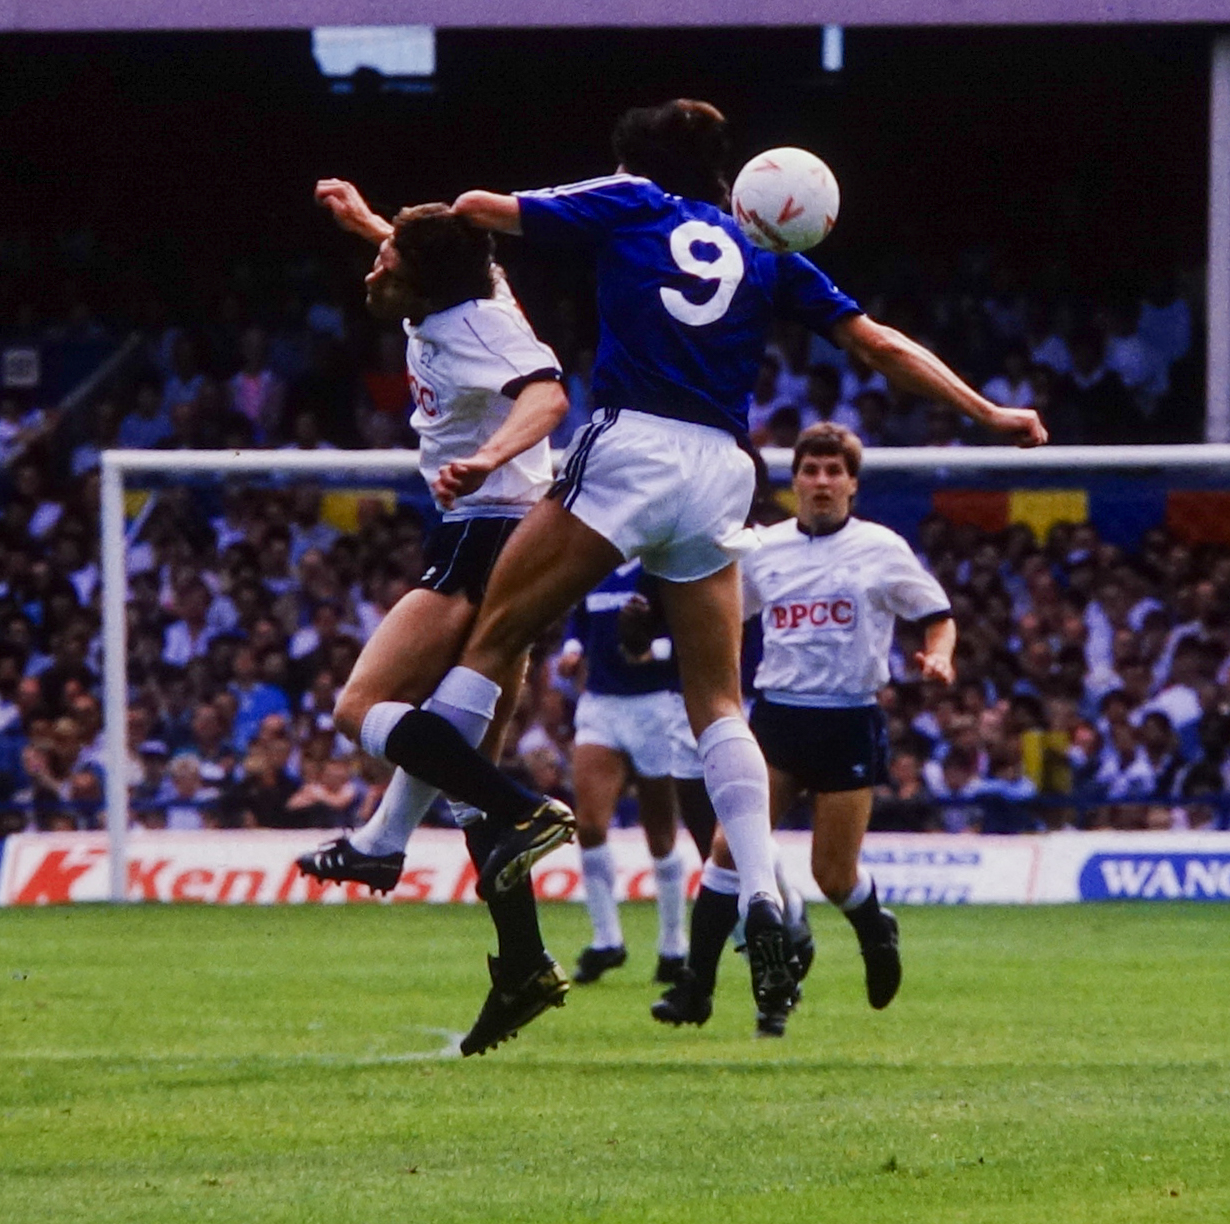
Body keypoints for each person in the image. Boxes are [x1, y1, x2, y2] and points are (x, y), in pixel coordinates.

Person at [360, 99, 1045, 1037]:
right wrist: (989, 413)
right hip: (725, 467)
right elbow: (877, 344)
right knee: (717, 700)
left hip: (633, 443)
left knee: (497, 634)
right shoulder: (766, 248)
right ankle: (762, 890)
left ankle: (393, 835)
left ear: (634, 161)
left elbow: (480, 206)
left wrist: (408, 237)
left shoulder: (630, 199)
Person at [289, 187, 575, 1056]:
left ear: (426, 285)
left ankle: (513, 812)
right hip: (505, 526)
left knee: (358, 707)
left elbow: (549, 395)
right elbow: (438, 269)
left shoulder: (479, 329)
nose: (372, 269)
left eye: (386, 262)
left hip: (486, 526)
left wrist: (485, 456)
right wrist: (372, 221)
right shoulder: (460, 290)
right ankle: (521, 965)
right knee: (465, 770)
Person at [656, 424, 955, 1036]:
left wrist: (940, 655)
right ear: (794, 483)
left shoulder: (880, 548)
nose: (821, 483)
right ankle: (697, 987)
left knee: (834, 876)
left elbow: (937, 615)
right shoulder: (763, 548)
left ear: (852, 484)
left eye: (833, 472)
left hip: (848, 718)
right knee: (727, 850)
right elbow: (723, 617)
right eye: (810, 471)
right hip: (779, 715)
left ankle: (876, 927)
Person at [560, 566, 714, 987]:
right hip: (603, 703)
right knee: (588, 824)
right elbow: (580, 617)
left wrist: (656, 651)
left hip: (656, 706)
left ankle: (672, 945)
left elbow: (695, 630)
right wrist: (573, 647)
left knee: (660, 833)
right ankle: (607, 939)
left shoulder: (661, 569)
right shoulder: (597, 565)